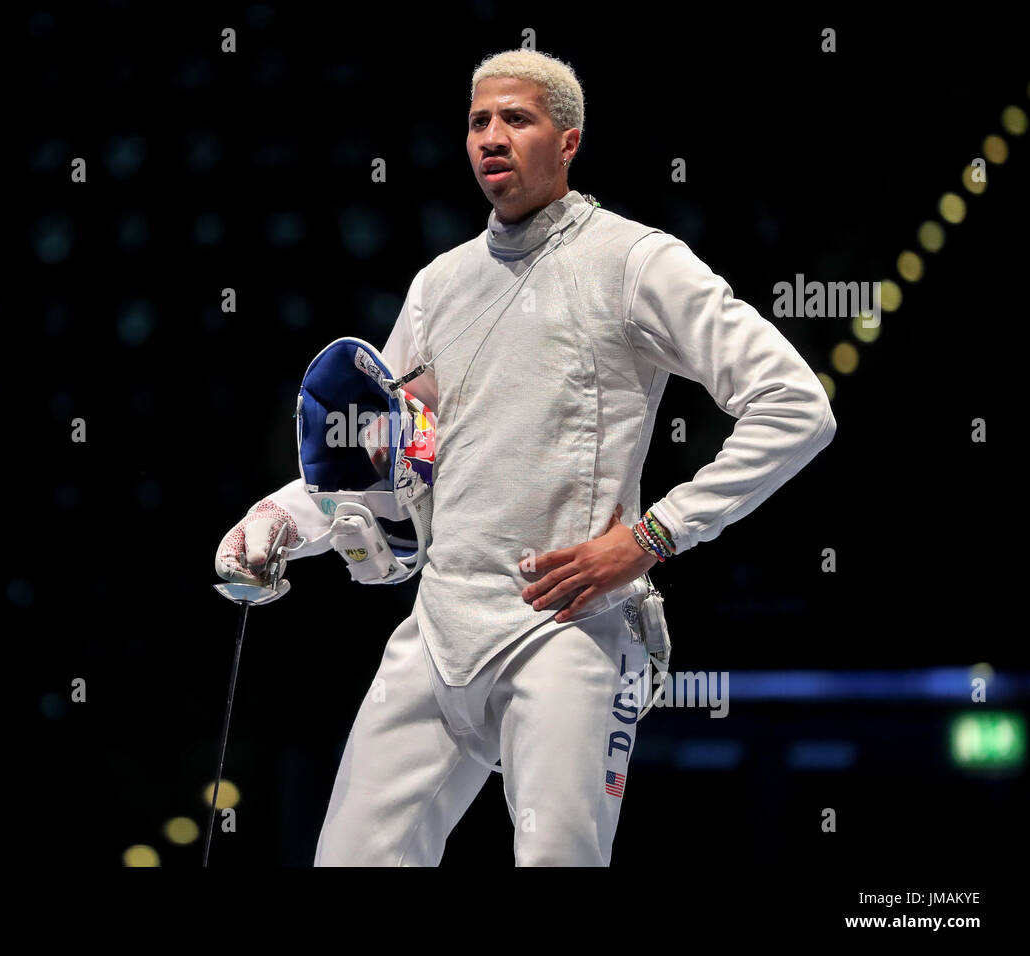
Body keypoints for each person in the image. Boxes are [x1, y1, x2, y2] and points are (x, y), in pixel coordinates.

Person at [216, 49, 836, 866]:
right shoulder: (439, 286)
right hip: (437, 631)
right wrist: (278, 520)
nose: (492, 137)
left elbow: (796, 406)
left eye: (518, 118)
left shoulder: (634, 261)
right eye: (479, 121)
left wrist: (655, 536)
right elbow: (383, 463)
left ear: (569, 140)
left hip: (566, 630)